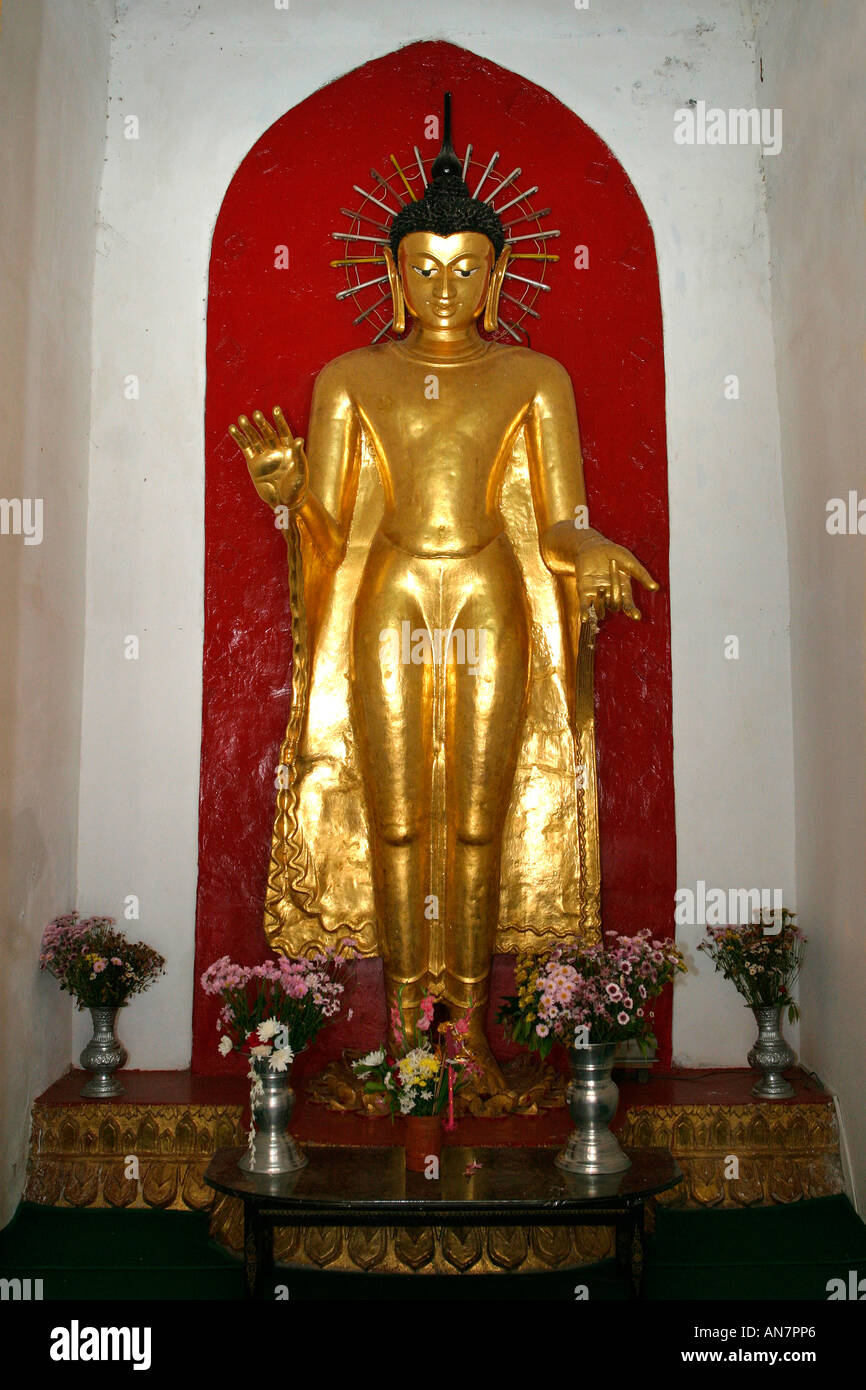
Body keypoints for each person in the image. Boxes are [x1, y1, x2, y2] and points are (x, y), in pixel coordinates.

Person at [229, 97, 657, 1095]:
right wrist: (287, 490)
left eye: (466, 266)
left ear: (497, 272)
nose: (444, 285)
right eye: (424, 265)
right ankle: (404, 1049)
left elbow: (556, 514)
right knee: (395, 821)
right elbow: (331, 527)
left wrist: (587, 542)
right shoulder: (350, 379)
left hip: (484, 594)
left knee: (475, 821)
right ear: (391, 271)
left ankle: (464, 1048)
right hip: (390, 599)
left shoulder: (531, 377)